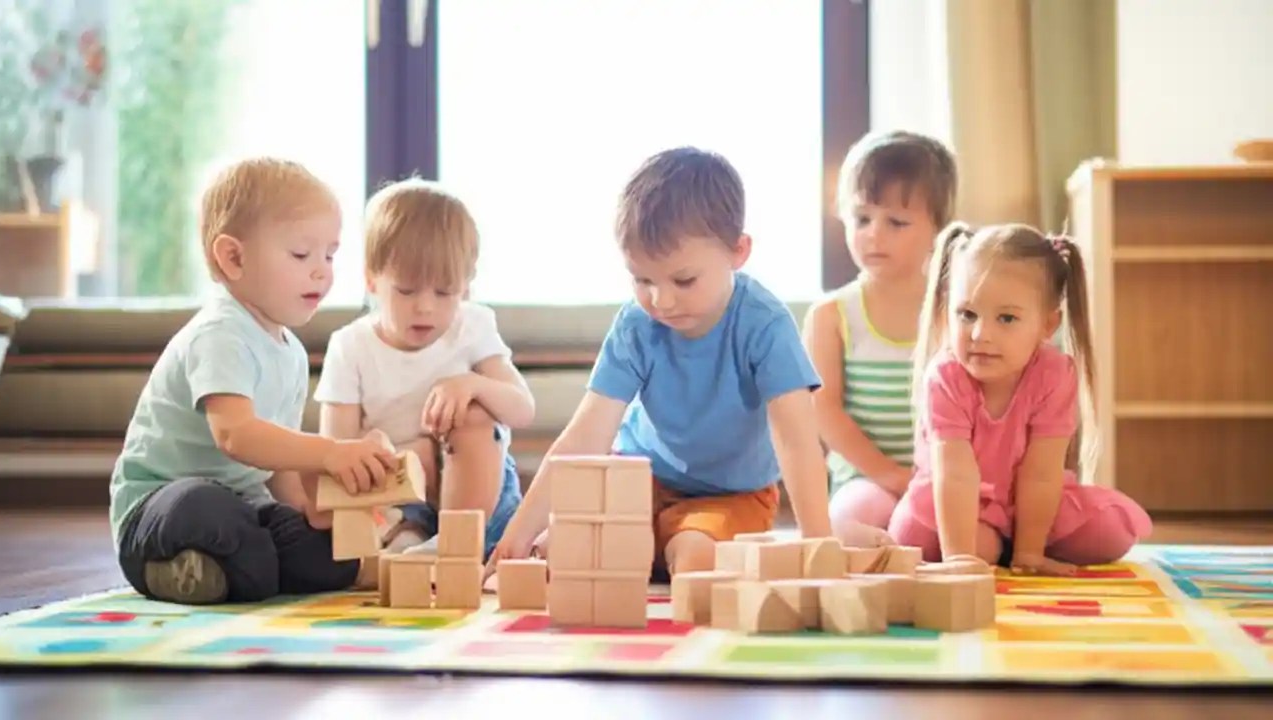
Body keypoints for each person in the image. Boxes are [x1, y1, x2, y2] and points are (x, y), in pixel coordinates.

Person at [488, 146, 892, 581]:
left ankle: (826, 536)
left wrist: (818, 545)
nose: (660, 300)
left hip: (733, 496)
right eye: (642, 279)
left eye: (683, 280)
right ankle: (645, 546)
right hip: (640, 479)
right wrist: (517, 535)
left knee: (694, 560)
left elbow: (796, 439)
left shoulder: (764, 324)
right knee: (563, 550)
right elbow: (585, 435)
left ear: (738, 252)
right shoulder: (635, 325)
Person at [110, 157, 396, 604]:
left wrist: (313, 510)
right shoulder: (220, 333)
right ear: (234, 257)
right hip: (160, 506)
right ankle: (170, 567)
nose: (322, 270)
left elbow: (275, 462)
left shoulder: (292, 353)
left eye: (330, 254)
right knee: (208, 507)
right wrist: (330, 454)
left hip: (245, 506)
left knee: (328, 557)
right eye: (302, 254)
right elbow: (237, 436)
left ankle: (223, 570)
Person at [888, 222, 1152, 575]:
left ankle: (1013, 546)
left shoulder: (1055, 375)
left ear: (1047, 325)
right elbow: (955, 475)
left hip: (1029, 502)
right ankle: (992, 547)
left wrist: (1030, 553)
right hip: (957, 504)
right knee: (934, 540)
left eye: (1007, 318)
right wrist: (958, 561)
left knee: (1113, 531)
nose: (981, 334)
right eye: (967, 314)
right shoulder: (946, 376)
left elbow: (1042, 472)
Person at [315, 178, 534, 560]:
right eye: (406, 291)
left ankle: (458, 544)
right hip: (398, 494)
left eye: (445, 292)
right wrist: (403, 457)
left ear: (466, 287)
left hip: (483, 496)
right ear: (371, 279)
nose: (426, 308)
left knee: (474, 416)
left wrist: (472, 384)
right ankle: (414, 543)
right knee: (393, 465)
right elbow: (337, 448)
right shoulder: (351, 346)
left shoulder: (472, 326)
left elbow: (522, 409)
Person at [802, 130, 957, 539]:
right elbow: (824, 411)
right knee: (847, 522)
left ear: (937, 227)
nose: (873, 234)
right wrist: (889, 474)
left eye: (897, 222)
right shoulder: (832, 315)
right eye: (862, 219)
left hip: (948, 477)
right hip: (865, 480)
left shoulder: (956, 311)